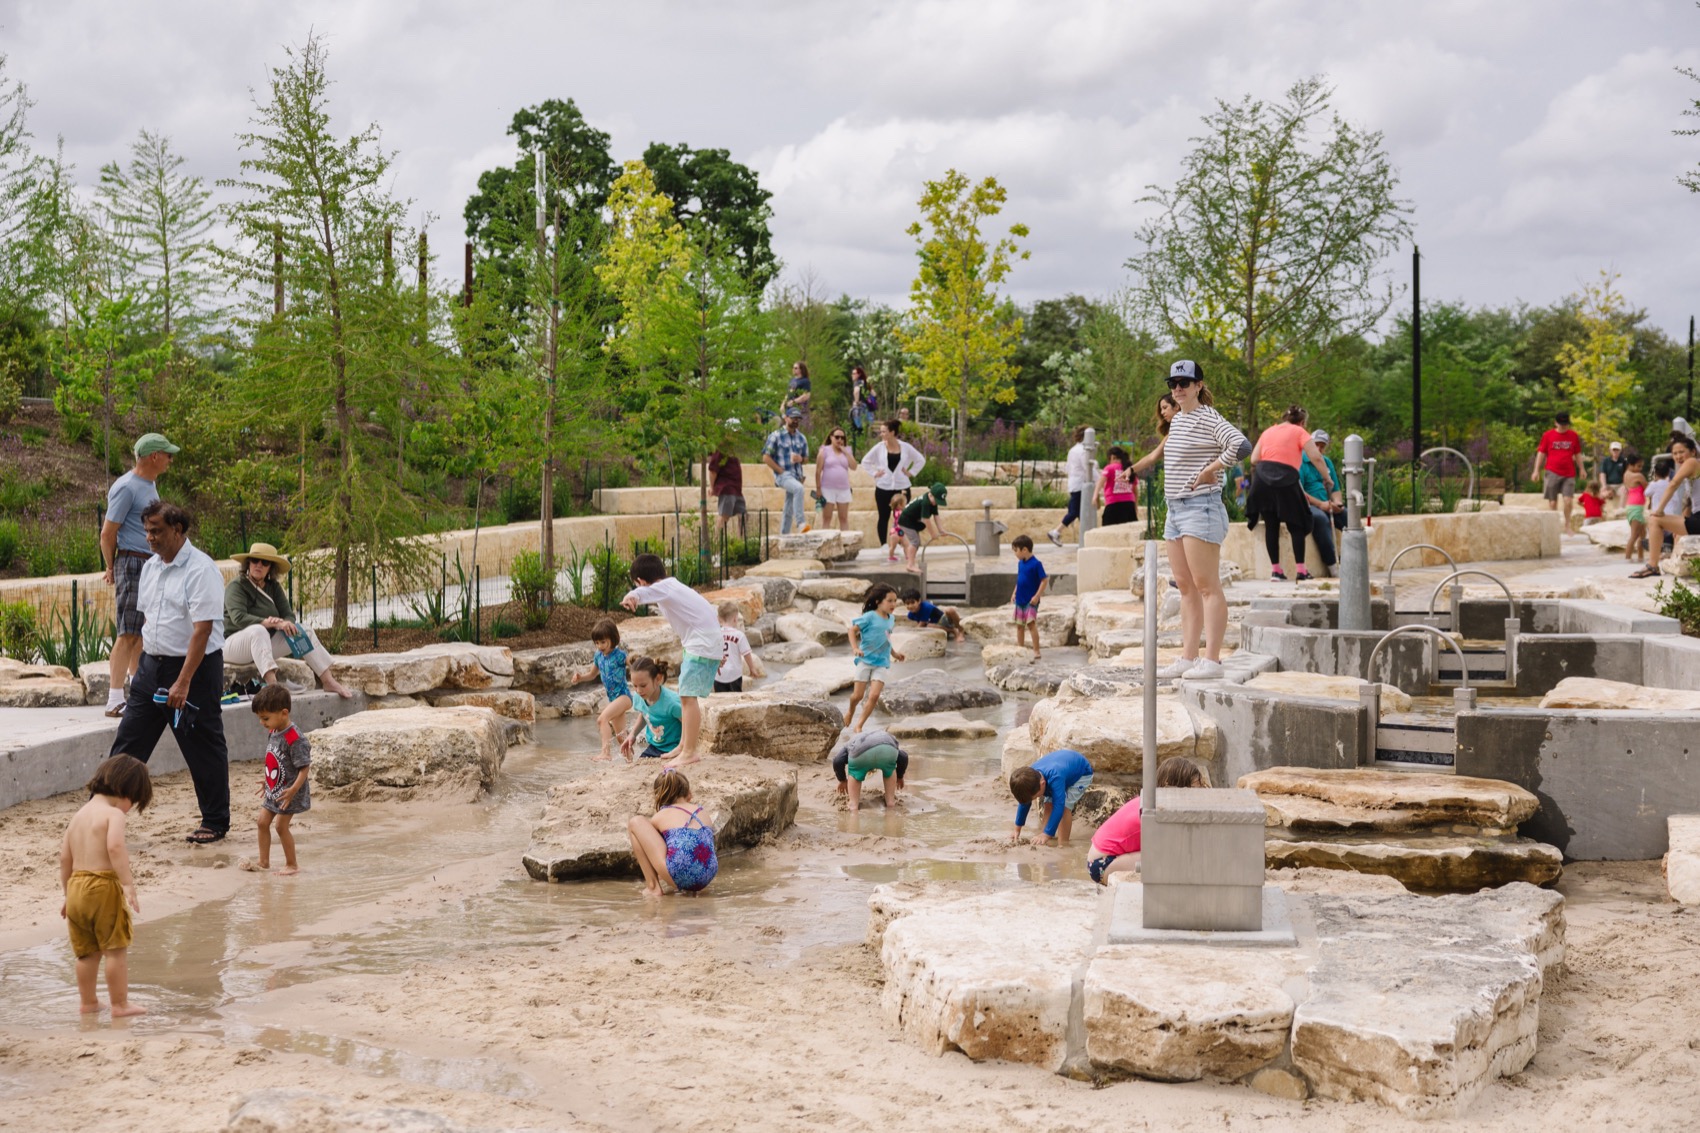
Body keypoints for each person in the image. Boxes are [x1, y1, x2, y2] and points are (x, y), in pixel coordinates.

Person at [109, 502, 232, 844]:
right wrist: (140, 673)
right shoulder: (150, 568)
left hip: (194, 669)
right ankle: (102, 811)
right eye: (147, 531)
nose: (149, 537)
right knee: (128, 742)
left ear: (177, 530)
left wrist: (183, 681)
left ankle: (215, 821)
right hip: (151, 667)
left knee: (202, 744)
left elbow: (202, 631)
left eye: (157, 531)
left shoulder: (201, 569)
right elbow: (149, 622)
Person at [1131, 361, 1249, 681]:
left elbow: (1241, 445)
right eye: (1173, 383)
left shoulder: (1208, 416)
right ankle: (1188, 657)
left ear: (1199, 385)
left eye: (1185, 382)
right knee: (1185, 587)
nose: (1178, 388)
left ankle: (1212, 660)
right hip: (1175, 510)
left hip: (1201, 508)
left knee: (1207, 585)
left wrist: (1212, 469)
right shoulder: (1179, 420)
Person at [59, 754, 152, 1017]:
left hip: (76, 887)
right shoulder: (113, 814)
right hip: (103, 885)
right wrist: (127, 884)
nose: (129, 808)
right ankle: (120, 1005)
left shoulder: (78, 816)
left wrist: (67, 895)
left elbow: (65, 858)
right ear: (126, 792)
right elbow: (115, 847)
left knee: (86, 953)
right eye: (133, 802)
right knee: (115, 949)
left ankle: (88, 1003)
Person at [99, 433, 178, 717]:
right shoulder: (127, 487)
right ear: (154, 456)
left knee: (141, 633)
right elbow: (108, 533)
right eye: (167, 454)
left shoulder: (149, 485)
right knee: (128, 632)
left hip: (148, 564)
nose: (170, 460)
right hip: (131, 562)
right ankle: (114, 699)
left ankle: (138, 693)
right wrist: (111, 567)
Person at [621, 554, 719, 766]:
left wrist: (632, 596)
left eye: (637, 584)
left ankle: (690, 751)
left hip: (701, 645)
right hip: (703, 644)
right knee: (686, 695)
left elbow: (644, 592)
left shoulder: (664, 587)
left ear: (640, 580)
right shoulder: (672, 587)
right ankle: (683, 745)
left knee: (688, 697)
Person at [222, 543, 354, 698]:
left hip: (264, 644)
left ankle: (328, 680)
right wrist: (271, 622)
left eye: (265, 562)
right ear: (248, 563)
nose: (259, 565)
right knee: (258, 630)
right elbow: (238, 617)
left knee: (304, 631)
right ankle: (273, 687)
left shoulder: (273, 587)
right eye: (255, 560)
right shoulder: (237, 586)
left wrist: (286, 623)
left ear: (270, 568)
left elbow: (288, 615)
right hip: (234, 645)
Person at [1085, 756, 1210, 885]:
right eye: (1192, 791)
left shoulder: (1152, 800)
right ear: (1172, 787)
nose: (1195, 798)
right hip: (1102, 863)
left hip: (1103, 857)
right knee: (1170, 859)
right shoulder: (1155, 814)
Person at [1247, 405, 1333, 582]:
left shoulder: (1269, 431)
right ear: (1302, 422)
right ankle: (1301, 571)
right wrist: (1327, 477)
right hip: (1286, 478)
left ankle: (1276, 572)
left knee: (1271, 525)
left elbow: (1254, 459)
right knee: (1297, 524)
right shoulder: (1300, 432)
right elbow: (1316, 457)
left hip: (1263, 480)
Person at [238, 684, 309, 875]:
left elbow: (304, 768)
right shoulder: (274, 731)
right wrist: (267, 781)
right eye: (260, 718)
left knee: (280, 826)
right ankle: (264, 861)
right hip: (275, 788)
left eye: (265, 718)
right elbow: (276, 760)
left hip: (289, 792)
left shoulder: (294, 738)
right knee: (262, 822)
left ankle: (292, 864)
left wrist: (293, 790)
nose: (262, 722)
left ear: (284, 713)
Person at [626, 769, 718, 896]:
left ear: (659, 796)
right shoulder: (702, 811)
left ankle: (653, 888)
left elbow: (653, 848)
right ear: (688, 792)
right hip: (708, 874)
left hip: (679, 873)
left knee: (635, 822)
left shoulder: (660, 816)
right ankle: (690, 888)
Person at [1634, 437, 1700, 579]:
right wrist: (1681, 523)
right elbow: (1691, 503)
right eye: (1674, 453)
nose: (1678, 456)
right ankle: (1672, 563)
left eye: (1681, 452)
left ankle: (1652, 565)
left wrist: (1659, 510)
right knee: (1676, 533)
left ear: (1693, 452)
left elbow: (1673, 484)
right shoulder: (1694, 466)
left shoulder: (1692, 462)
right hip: (1697, 517)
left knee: (1655, 520)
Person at [847, 584, 906, 732]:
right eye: (890, 601)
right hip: (865, 660)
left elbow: (886, 639)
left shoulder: (891, 619)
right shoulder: (869, 617)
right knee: (857, 696)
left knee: (874, 696)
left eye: (895, 601)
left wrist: (894, 654)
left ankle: (859, 725)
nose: (893, 604)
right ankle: (850, 711)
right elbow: (851, 630)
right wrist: (855, 648)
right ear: (878, 601)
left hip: (881, 662)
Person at [860, 419, 926, 547]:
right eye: (881, 432)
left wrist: (911, 472)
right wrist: (875, 473)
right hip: (883, 488)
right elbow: (865, 461)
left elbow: (920, 460)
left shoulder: (906, 447)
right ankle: (884, 545)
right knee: (883, 517)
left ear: (892, 432)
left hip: (902, 487)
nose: (881, 434)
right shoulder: (879, 447)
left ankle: (901, 544)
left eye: (884, 431)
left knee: (902, 518)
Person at [1008, 749, 1093, 846]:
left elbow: (1059, 806)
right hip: (1063, 768)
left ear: (1042, 784)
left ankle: (1063, 843)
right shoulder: (1028, 777)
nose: (1033, 799)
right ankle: (1044, 839)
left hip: (1081, 773)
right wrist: (1017, 829)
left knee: (1065, 807)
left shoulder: (1055, 777)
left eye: (1036, 797)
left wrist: (1047, 834)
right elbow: (1024, 803)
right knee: (1048, 804)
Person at [575, 619, 631, 762]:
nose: (600, 646)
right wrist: (580, 678)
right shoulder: (598, 656)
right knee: (621, 737)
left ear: (613, 639)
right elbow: (592, 674)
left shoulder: (620, 655)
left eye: (603, 642)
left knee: (602, 719)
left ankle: (606, 753)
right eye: (597, 643)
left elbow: (634, 665)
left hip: (624, 696)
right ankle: (631, 761)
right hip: (614, 700)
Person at [1298, 429, 1346, 577]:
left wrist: (1337, 503)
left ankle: (1349, 560)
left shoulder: (1326, 462)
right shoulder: (1301, 462)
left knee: (1349, 517)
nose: (1318, 449)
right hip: (1310, 506)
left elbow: (1335, 489)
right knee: (1320, 519)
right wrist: (1320, 504)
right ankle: (1332, 566)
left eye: (1322, 446)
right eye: (1316, 445)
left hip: (1327, 503)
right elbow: (1300, 492)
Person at [621, 656, 684, 761]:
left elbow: (688, 722)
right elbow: (644, 715)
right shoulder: (639, 698)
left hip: (674, 748)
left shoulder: (671, 703)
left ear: (658, 679)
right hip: (654, 747)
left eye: (643, 685)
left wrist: (683, 747)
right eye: (635, 686)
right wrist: (632, 734)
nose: (638, 690)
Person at [829, 728, 907, 811]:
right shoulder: (886, 736)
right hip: (888, 748)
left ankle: (853, 805)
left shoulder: (851, 742)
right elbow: (903, 757)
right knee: (890, 767)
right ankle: (890, 802)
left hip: (860, 750)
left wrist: (842, 780)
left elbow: (837, 760)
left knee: (855, 771)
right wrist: (900, 776)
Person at [1532, 411, 1584, 531]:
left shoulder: (1573, 436)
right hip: (1552, 471)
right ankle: (1553, 526)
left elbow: (1577, 454)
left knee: (1568, 500)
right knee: (1552, 502)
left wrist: (1582, 468)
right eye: (1561, 424)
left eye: (1566, 424)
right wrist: (1536, 470)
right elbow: (1541, 453)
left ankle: (1567, 525)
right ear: (1556, 423)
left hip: (1569, 473)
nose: (1564, 426)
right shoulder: (1548, 435)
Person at [762, 408, 810, 535]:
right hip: (783, 475)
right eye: (793, 418)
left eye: (798, 418)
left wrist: (800, 459)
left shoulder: (802, 438)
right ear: (786, 418)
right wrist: (779, 470)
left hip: (797, 475)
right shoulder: (776, 436)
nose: (796, 421)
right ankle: (801, 523)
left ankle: (784, 535)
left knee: (789, 507)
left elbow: (806, 459)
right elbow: (766, 457)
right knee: (799, 489)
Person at [1048, 426, 1092, 546]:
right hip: (1081, 485)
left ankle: (1086, 538)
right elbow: (1087, 467)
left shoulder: (1073, 450)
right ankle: (1056, 532)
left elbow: (1068, 467)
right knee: (1075, 512)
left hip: (1073, 484)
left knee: (1081, 513)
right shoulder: (1083, 451)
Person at [894, 482, 950, 574]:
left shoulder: (932, 502)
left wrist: (941, 530)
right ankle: (910, 565)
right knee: (915, 541)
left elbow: (936, 516)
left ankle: (911, 563)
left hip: (913, 521)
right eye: (936, 500)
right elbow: (926, 520)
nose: (936, 503)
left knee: (916, 542)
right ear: (930, 494)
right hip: (906, 521)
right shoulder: (925, 502)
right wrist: (932, 534)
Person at [714, 600, 765, 693]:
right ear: (735, 619)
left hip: (718, 675)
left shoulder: (715, 634)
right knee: (735, 698)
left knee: (721, 698)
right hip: (734, 675)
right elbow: (746, 654)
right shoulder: (739, 635)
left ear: (719, 619)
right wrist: (752, 668)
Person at [1011, 534, 1048, 661]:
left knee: (1031, 624)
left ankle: (1036, 650)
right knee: (1019, 626)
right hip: (1020, 599)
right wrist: (1014, 592)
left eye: (1016, 550)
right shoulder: (1020, 563)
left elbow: (1044, 580)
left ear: (1024, 550)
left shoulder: (1036, 564)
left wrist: (1037, 596)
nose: (1015, 553)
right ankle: (1020, 648)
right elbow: (1019, 580)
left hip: (1031, 600)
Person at [816, 426, 856, 532]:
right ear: (831, 437)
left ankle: (845, 540)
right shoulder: (824, 450)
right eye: (837, 437)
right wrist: (818, 489)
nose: (840, 440)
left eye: (842, 438)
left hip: (844, 488)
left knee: (843, 518)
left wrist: (845, 452)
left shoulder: (847, 450)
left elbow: (854, 467)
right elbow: (818, 471)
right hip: (827, 488)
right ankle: (825, 540)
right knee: (827, 518)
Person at [1094, 445, 1139, 527]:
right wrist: (1135, 507)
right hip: (1129, 506)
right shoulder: (1129, 469)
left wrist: (1095, 495)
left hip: (1113, 505)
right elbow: (1135, 492)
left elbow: (1100, 482)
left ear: (1112, 458)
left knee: (1109, 531)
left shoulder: (1109, 468)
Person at [708, 445, 746, 537]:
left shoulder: (731, 450)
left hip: (736, 489)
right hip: (727, 488)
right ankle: (717, 541)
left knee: (743, 516)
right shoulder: (721, 450)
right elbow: (713, 470)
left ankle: (741, 541)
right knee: (724, 516)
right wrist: (712, 487)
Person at [1623, 454, 1648, 563]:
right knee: (1634, 535)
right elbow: (1648, 488)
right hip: (1636, 508)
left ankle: (1640, 557)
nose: (1640, 469)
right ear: (1630, 465)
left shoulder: (1626, 474)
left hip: (1631, 506)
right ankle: (1627, 559)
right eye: (1638, 466)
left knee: (1642, 534)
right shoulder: (1638, 476)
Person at [849, 365, 877, 443]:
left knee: (858, 429)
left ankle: (859, 444)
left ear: (859, 374)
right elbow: (874, 394)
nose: (852, 375)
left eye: (854, 373)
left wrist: (856, 401)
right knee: (867, 428)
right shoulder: (866, 383)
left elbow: (856, 391)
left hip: (859, 408)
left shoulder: (857, 382)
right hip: (868, 409)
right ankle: (866, 443)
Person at [882, 488, 910, 563]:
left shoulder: (896, 511)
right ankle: (893, 557)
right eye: (904, 504)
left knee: (899, 546)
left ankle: (904, 556)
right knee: (903, 545)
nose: (905, 505)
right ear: (900, 505)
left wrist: (903, 495)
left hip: (897, 532)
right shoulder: (900, 512)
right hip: (897, 532)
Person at [783, 360, 813, 431]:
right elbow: (788, 393)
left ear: (801, 370)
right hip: (789, 409)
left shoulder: (805, 381)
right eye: (793, 368)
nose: (793, 369)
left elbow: (806, 395)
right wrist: (783, 404)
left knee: (799, 429)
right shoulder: (792, 380)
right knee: (788, 429)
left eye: (796, 368)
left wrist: (794, 401)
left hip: (800, 410)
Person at [1599, 440, 1628, 509]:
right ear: (1610, 450)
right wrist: (1604, 485)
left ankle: (1621, 509)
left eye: (1617, 450)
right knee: (1602, 494)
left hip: (1620, 485)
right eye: (1614, 450)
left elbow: (1627, 474)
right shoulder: (1605, 461)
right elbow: (1602, 474)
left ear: (1620, 451)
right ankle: (1599, 510)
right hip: (1609, 485)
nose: (1615, 451)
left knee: (1624, 491)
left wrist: (1625, 485)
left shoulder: (1624, 461)